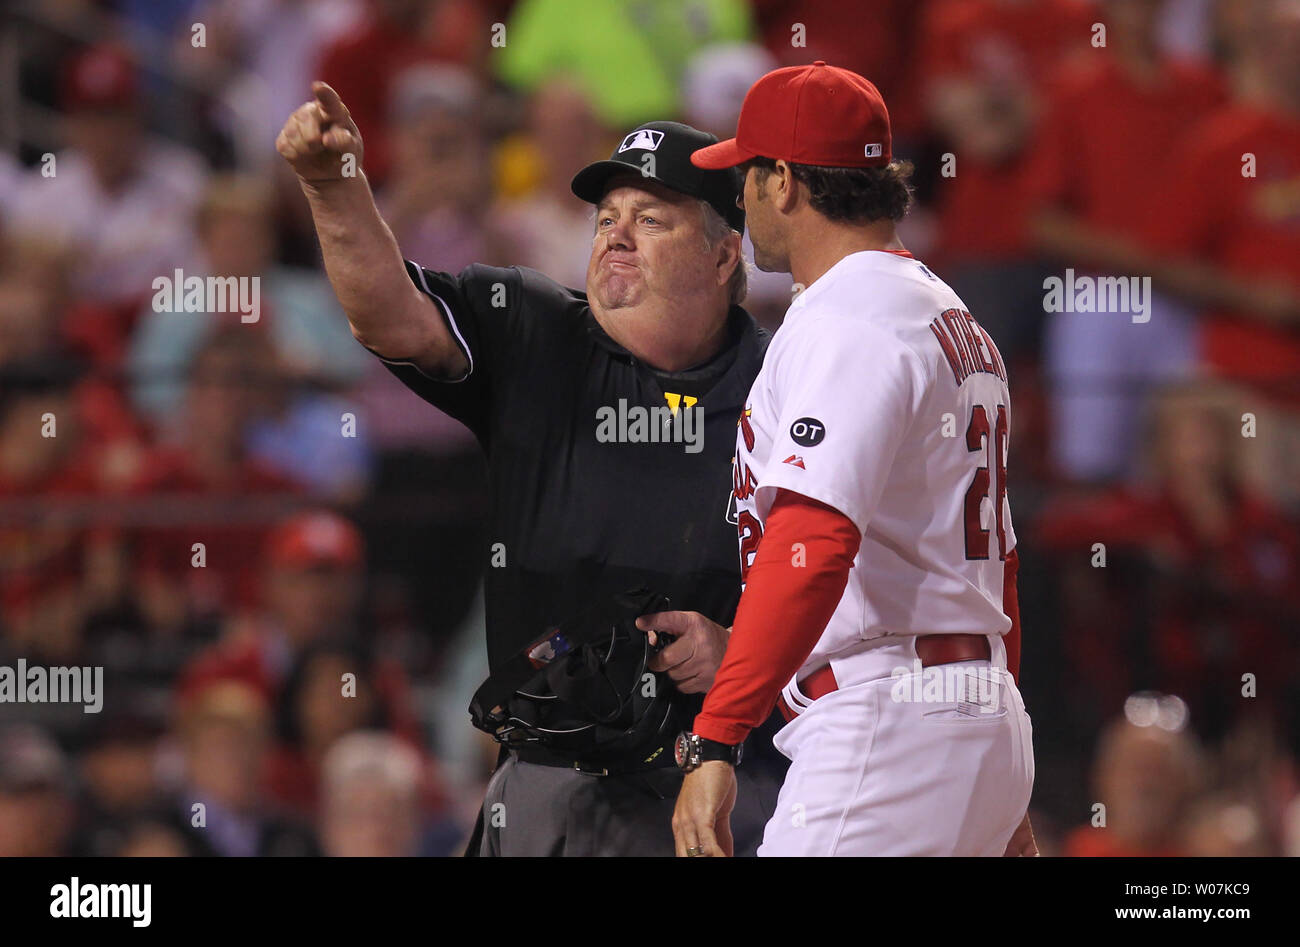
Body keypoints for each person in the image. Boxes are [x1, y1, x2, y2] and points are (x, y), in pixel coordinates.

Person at [275, 82, 786, 855]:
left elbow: (865, 589)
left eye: (650, 219)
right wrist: (332, 184)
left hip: (721, 776)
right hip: (548, 780)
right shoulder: (537, 333)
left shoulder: (789, 381)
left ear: (723, 256)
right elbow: (388, 313)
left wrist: (746, 658)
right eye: (606, 218)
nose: (617, 236)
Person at [670, 61, 1035, 856]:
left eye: (748, 173)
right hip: (968, 712)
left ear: (786, 184)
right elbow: (998, 565)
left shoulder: (848, 318)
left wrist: (717, 737)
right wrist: (996, 783)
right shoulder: (947, 312)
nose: (740, 195)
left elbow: (812, 542)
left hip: (887, 717)